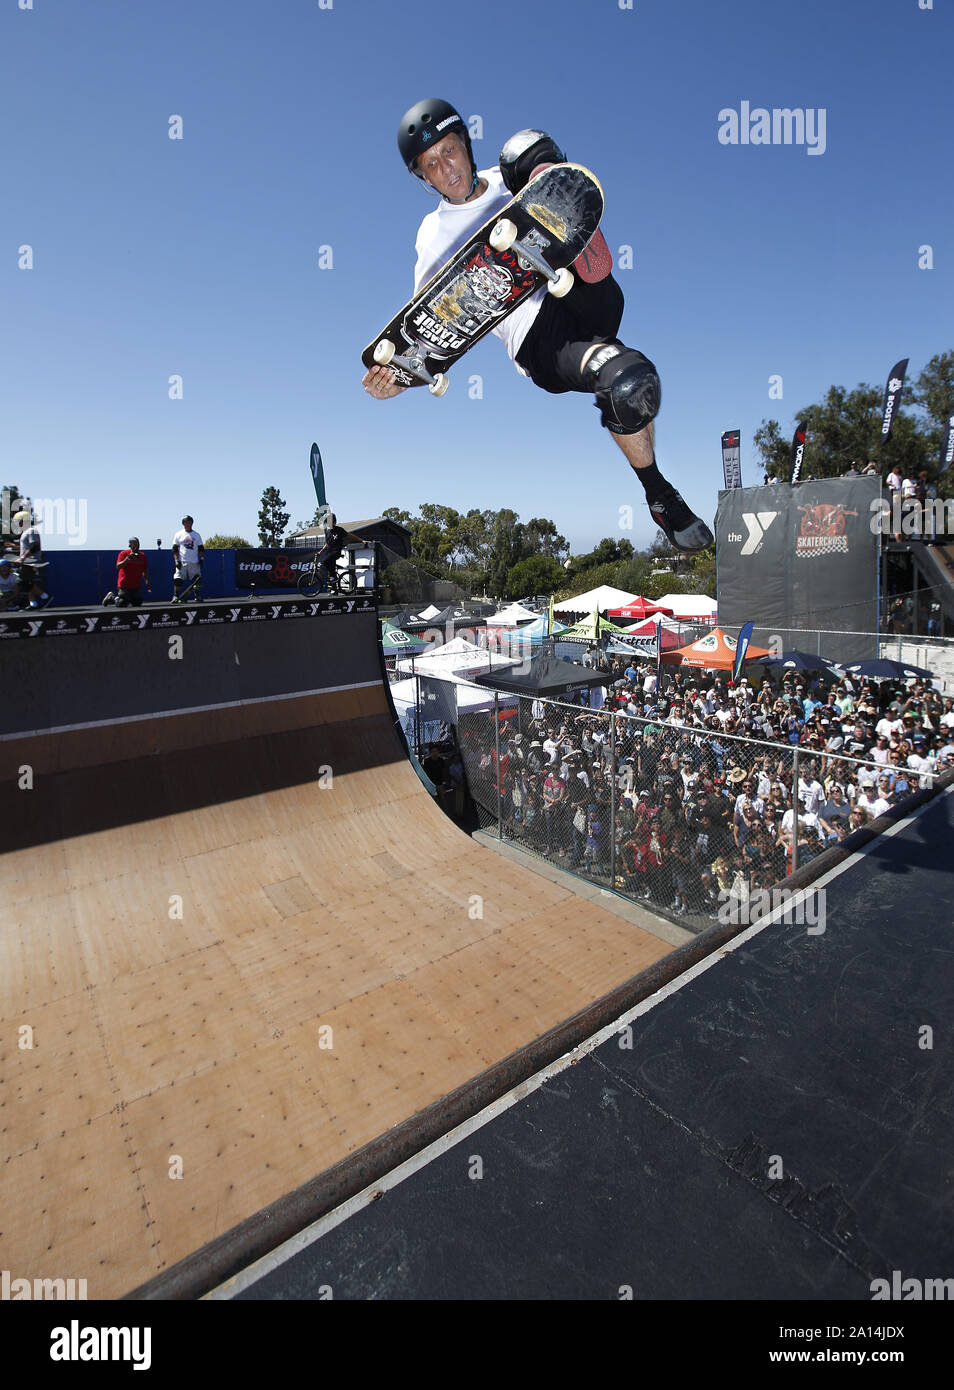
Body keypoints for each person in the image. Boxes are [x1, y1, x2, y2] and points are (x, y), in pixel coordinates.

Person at [363, 100, 713, 553]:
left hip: (580, 300)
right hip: (539, 339)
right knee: (631, 384)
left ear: (466, 147)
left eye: (449, 151)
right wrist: (401, 379)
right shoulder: (433, 235)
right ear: (423, 179)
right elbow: (426, 327)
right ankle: (660, 494)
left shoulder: (511, 182)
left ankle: (574, 237)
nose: (446, 168)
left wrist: (535, 181)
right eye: (432, 165)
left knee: (526, 154)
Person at [15, 508, 49, 607]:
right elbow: (27, 546)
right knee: (28, 582)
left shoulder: (31, 531)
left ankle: (45, 596)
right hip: (28, 561)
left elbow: (35, 546)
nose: (17, 524)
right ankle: (33, 604)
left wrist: (23, 558)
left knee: (22, 581)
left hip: (31, 561)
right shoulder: (25, 532)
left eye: (18, 521)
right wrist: (14, 547)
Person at [106, 537, 152, 607]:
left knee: (137, 603)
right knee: (122, 603)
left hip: (136, 585)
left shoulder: (142, 556)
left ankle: (130, 598)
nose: (135, 546)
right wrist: (127, 560)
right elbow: (118, 566)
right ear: (130, 545)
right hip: (124, 585)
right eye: (133, 544)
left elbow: (145, 570)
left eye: (137, 544)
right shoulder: (123, 554)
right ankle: (112, 597)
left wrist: (147, 582)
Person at [171, 515, 204, 602]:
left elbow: (201, 548)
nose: (187, 524)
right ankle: (175, 596)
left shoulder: (196, 535)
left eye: (189, 522)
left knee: (196, 580)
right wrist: (176, 560)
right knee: (178, 579)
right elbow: (174, 549)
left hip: (194, 562)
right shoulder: (178, 534)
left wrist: (201, 558)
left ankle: (197, 596)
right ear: (183, 524)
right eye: (185, 522)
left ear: (192, 523)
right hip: (182, 561)